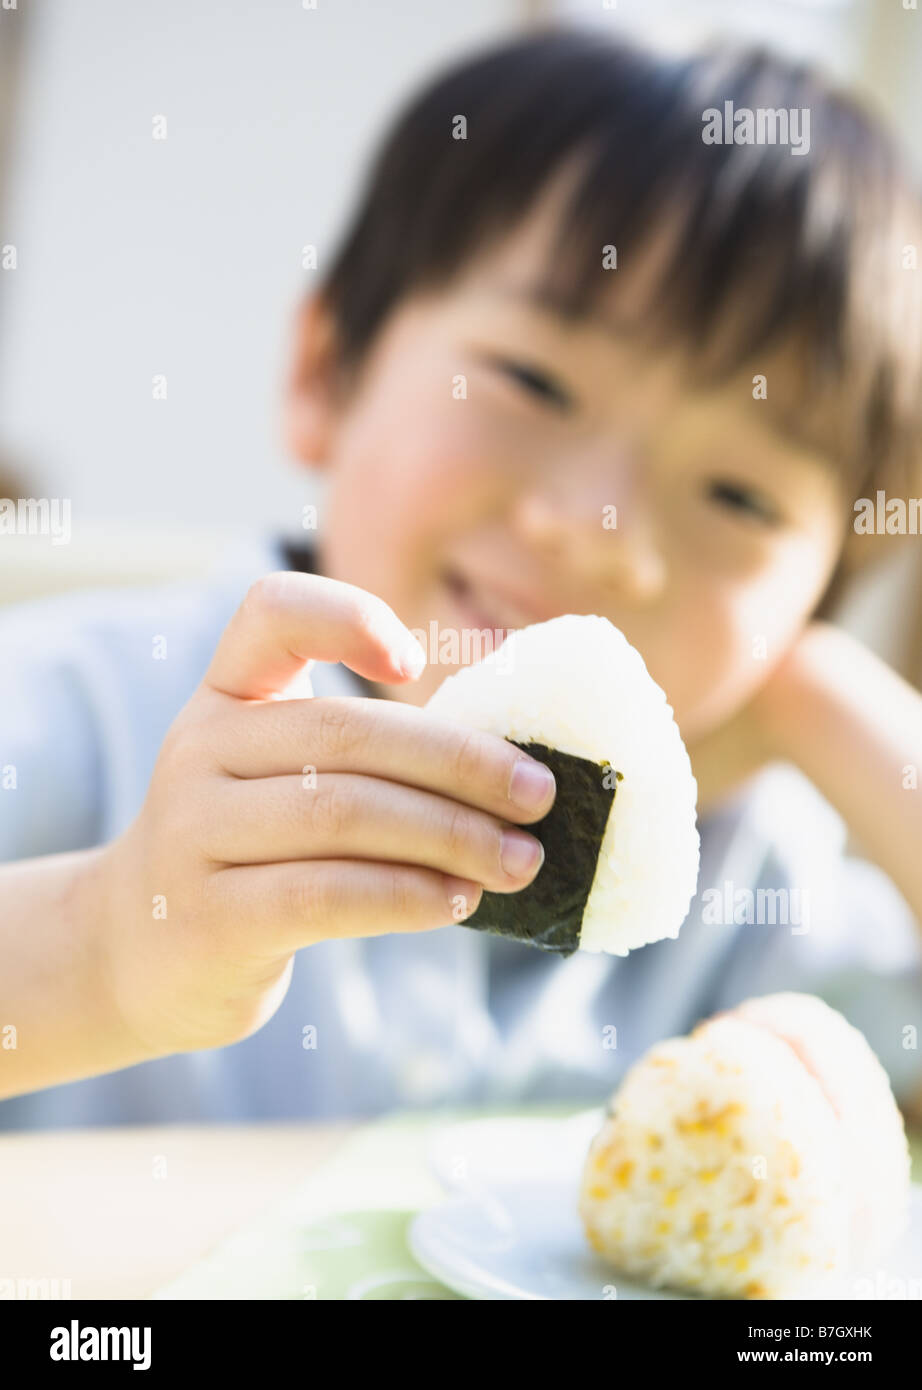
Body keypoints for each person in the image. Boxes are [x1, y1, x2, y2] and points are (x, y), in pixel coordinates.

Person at [2, 30, 922, 1129]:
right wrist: (105, 946)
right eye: (533, 381)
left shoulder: (752, 881)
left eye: (739, 497)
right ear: (325, 370)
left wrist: (834, 701)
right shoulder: (81, 709)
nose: (600, 532)